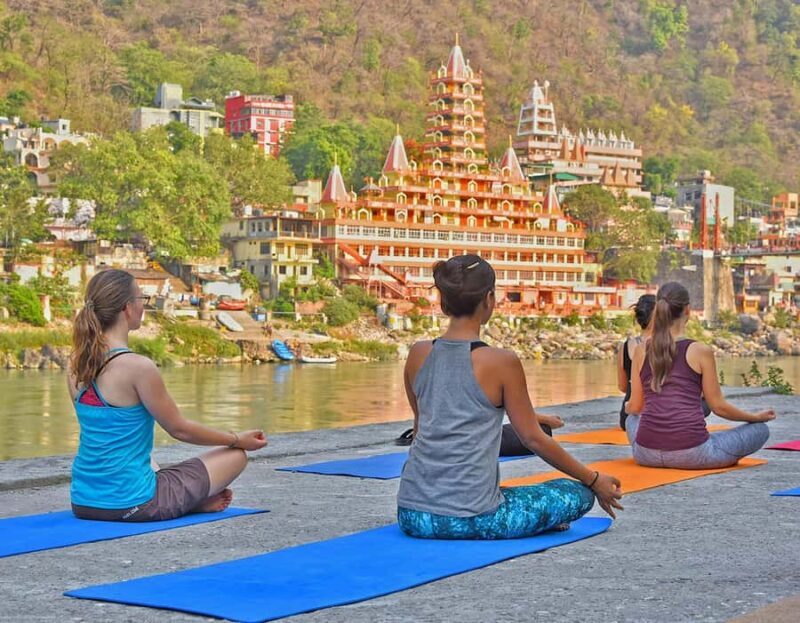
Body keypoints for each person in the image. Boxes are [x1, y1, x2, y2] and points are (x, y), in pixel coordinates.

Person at [397, 255, 623, 540]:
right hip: (475, 518)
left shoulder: (417, 353)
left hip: (411, 514)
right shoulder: (501, 361)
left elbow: (425, 425)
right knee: (577, 494)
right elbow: (533, 438)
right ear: (489, 299)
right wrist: (594, 479)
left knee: (511, 492)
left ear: (443, 302)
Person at [68, 269, 268, 522]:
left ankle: (188, 499)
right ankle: (187, 502)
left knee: (149, 462)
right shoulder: (138, 367)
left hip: (83, 501)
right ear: (127, 308)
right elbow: (180, 430)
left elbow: (102, 434)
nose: (143, 306)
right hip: (134, 504)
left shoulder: (75, 364)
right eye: (142, 299)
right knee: (234, 457)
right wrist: (237, 439)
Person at [625, 281, 774, 469]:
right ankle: (723, 454)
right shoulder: (700, 351)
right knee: (760, 430)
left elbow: (636, 407)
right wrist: (755, 417)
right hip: (692, 454)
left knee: (632, 419)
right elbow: (719, 407)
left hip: (645, 454)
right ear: (687, 310)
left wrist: (628, 406)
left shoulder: (640, 350)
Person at [617, 295, 656, 431]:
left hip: (627, 416)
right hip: (655, 414)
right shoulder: (665, 347)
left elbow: (622, 387)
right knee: (703, 403)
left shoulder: (625, 347)